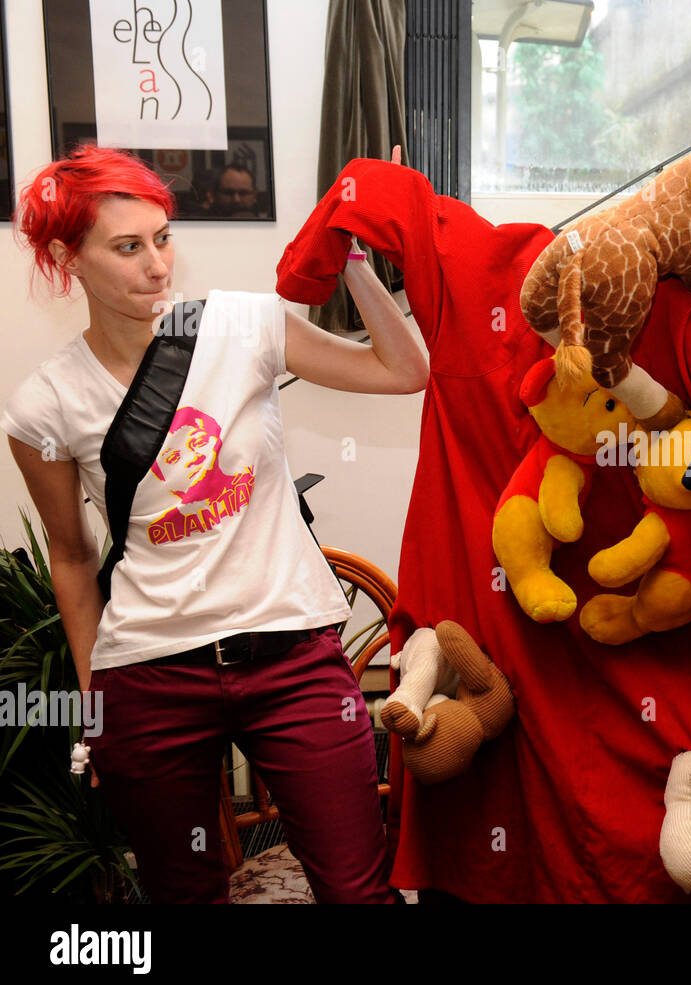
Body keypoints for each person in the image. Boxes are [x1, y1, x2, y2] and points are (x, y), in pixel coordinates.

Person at [1, 142, 429, 903]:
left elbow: (402, 372)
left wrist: (356, 257)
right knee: (184, 890)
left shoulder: (245, 326)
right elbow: (71, 557)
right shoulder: (46, 404)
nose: (157, 266)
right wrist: (94, 701)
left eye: (162, 239)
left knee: (357, 888)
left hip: (292, 654)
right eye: (128, 248)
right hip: (149, 671)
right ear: (70, 258)